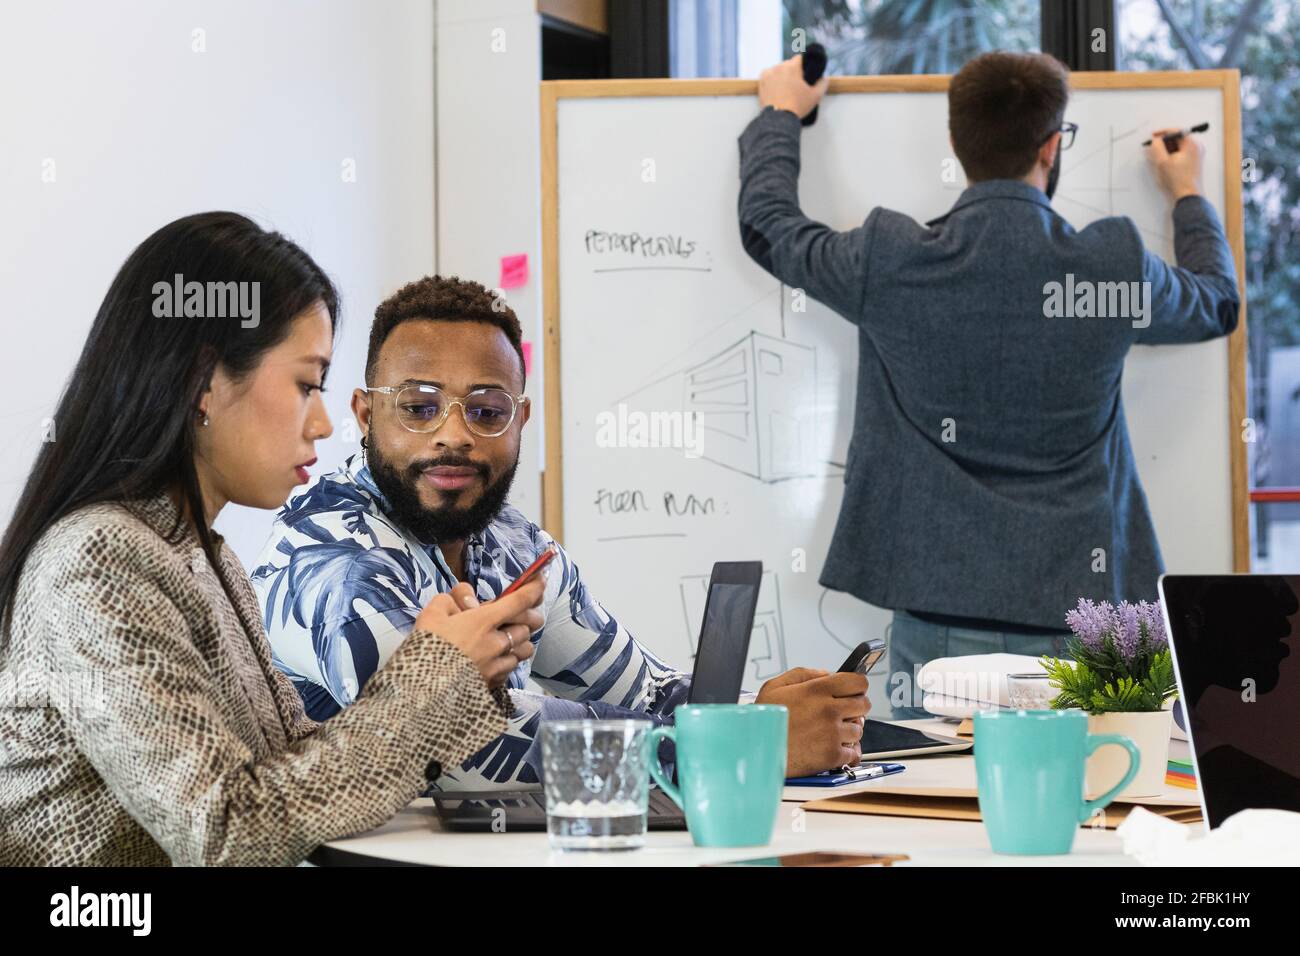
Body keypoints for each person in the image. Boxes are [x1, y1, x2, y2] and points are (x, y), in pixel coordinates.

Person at [0, 212, 542, 866]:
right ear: (204, 383)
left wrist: (440, 665)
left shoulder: (205, 556)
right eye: (306, 383)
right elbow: (226, 831)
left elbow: (296, 771)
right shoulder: (98, 561)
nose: (321, 422)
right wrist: (435, 679)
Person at [737, 51, 1240, 717]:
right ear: (1052, 146)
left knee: (939, 812)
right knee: (1091, 810)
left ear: (955, 142)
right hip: (1087, 622)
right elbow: (1217, 303)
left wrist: (779, 116)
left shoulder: (889, 261)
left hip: (939, 621)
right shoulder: (1109, 271)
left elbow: (769, 227)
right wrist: (1187, 193)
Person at [254, 275, 871, 787]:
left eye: (487, 410)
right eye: (418, 407)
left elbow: (645, 692)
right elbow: (465, 748)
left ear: (520, 420)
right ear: (365, 415)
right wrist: (745, 745)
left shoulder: (515, 546)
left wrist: (760, 713)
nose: (453, 434)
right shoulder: (329, 561)